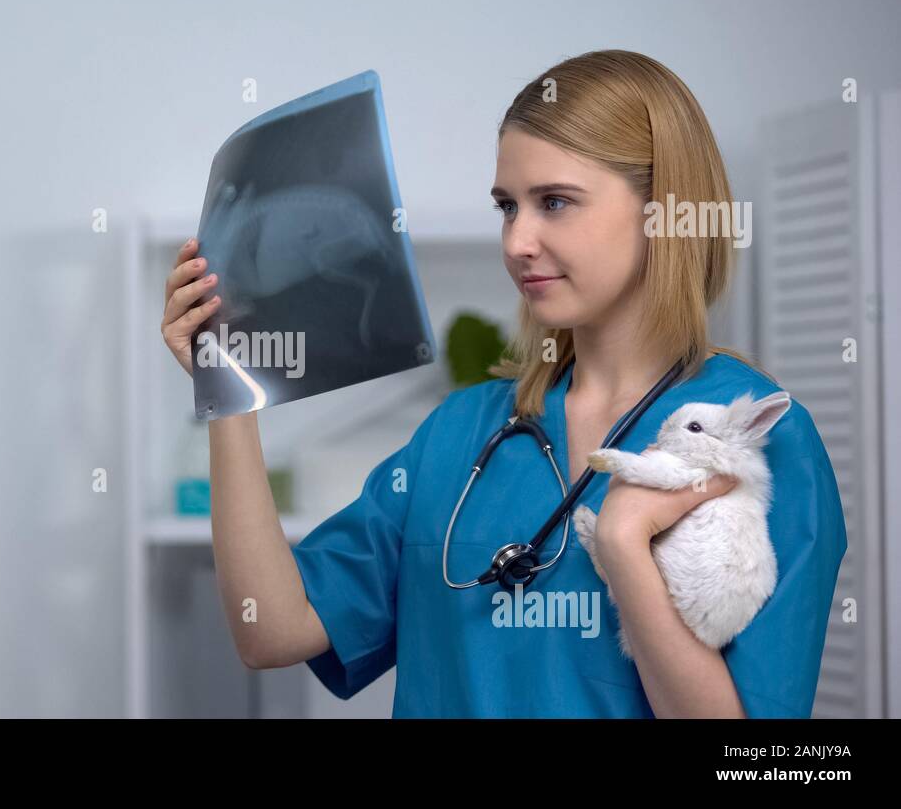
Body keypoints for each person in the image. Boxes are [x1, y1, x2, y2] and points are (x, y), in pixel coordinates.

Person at [159, 49, 847, 718]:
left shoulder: (751, 436)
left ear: (660, 210)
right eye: (506, 206)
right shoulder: (461, 434)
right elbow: (271, 629)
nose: (517, 241)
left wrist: (624, 551)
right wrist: (231, 390)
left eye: (554, 202)